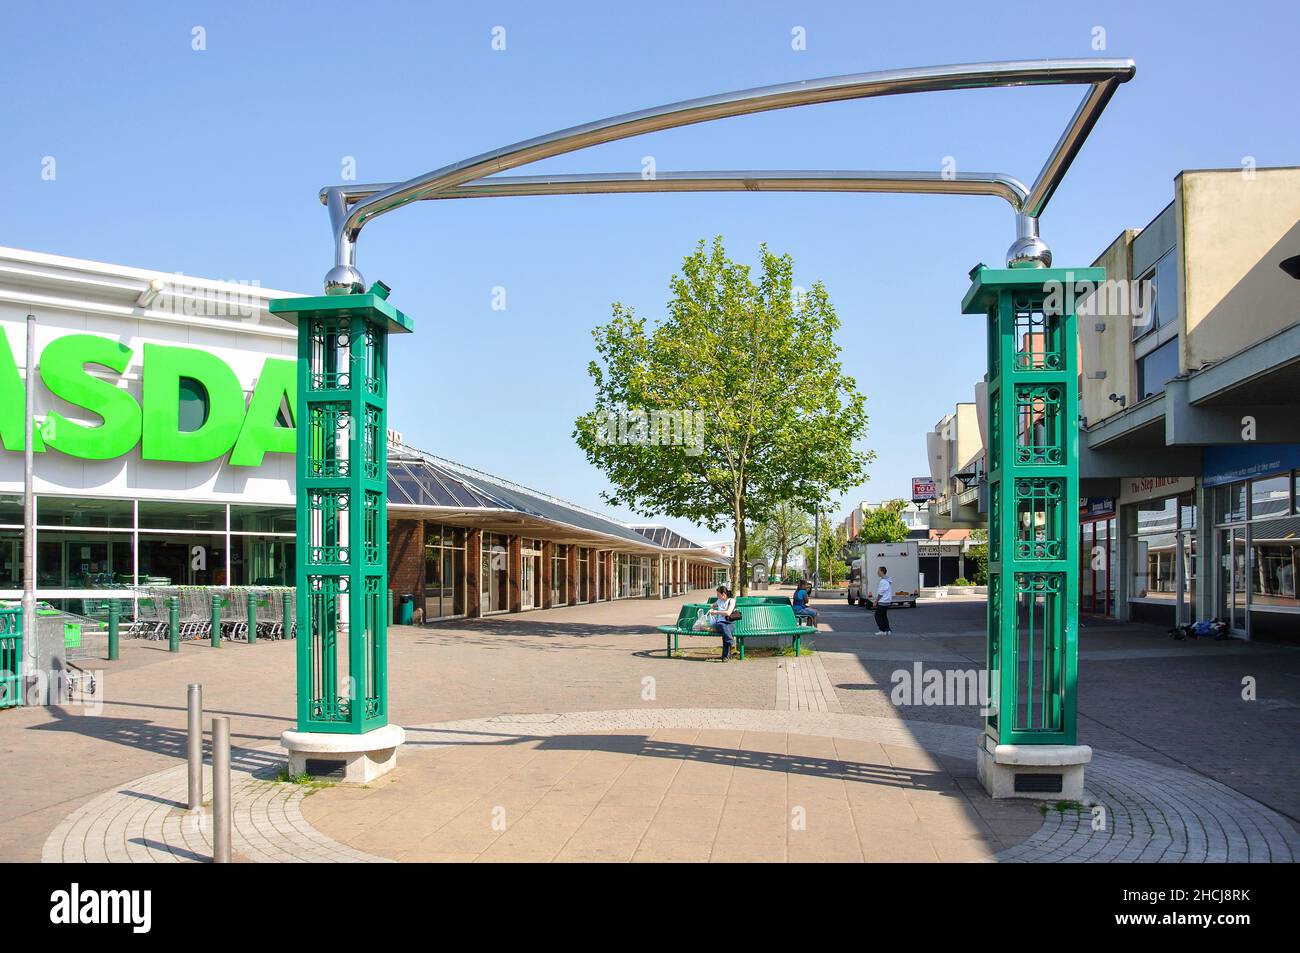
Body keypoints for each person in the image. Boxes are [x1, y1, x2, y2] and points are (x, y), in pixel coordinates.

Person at [708, 585, 737, 661]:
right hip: (719, 624)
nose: (717, 596)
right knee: (723, 627)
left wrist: (716, 612)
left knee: (726, 632)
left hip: (730, 623)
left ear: (723, 594)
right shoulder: (719, 601)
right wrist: (711, 608)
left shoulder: (731, 601)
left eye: (718, 595)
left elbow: (728, 613)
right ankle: (732, 644)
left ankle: (725, 657)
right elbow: (713, 605)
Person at [872, 565, 893, 636]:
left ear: (882, 572)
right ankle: (887, 630)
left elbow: (881, 593)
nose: (877, 572)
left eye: (878, 571)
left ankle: (882, 630)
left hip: (883, 601)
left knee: (877, 616)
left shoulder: (883, 581)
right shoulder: (887, 580)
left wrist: (876, 601)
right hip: (887, 601)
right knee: (884, 616)